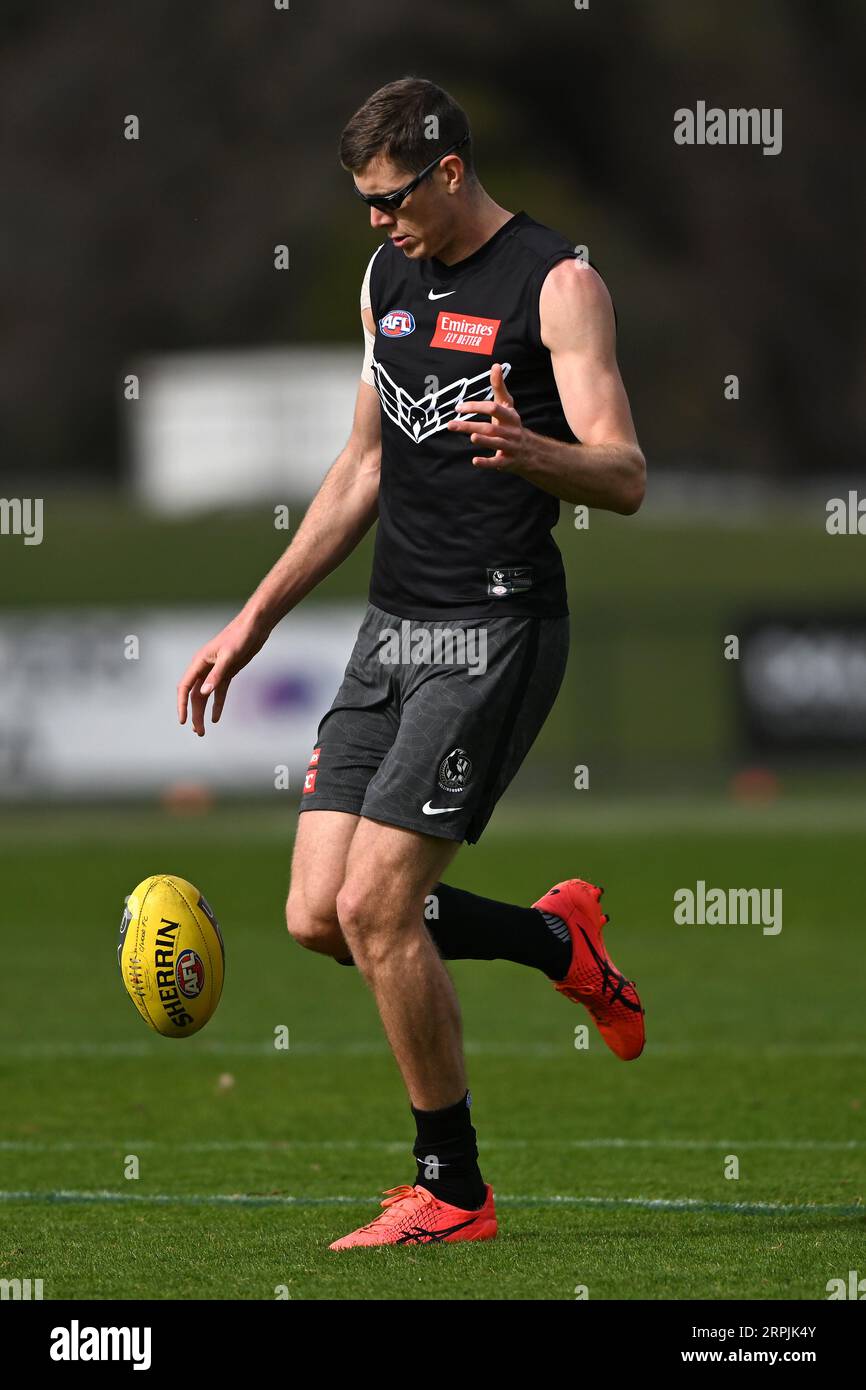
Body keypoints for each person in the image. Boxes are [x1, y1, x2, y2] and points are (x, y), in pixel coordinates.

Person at [177, 76, 646, 1249]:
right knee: (315, 916)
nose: (376, 223)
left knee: (378, 907)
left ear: (446, 170)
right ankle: (555, 940)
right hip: (392, 630)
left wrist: (536, 450)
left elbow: (626, 473)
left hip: (494, 631)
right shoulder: (386, 278)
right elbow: (359, 467)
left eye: (390, 199)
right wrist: (256, 619)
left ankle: (453, 1189)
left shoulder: (557, 283)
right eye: (362, 204)